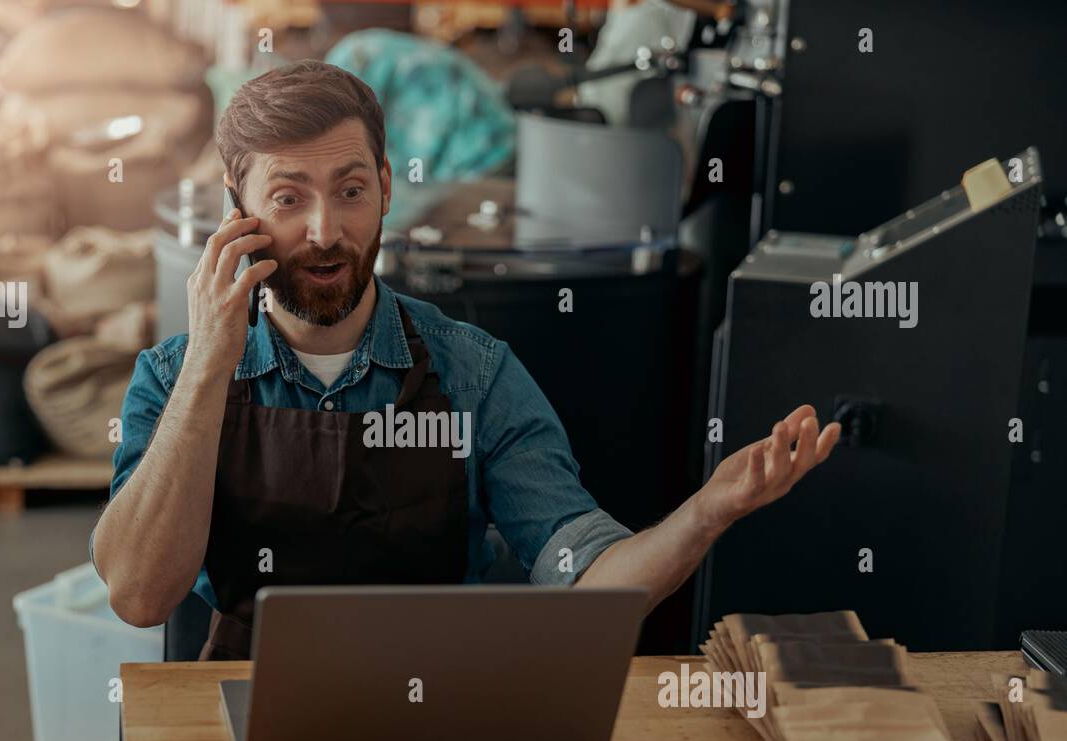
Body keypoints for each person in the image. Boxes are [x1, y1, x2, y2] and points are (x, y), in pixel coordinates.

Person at [91, 60, 839, 660]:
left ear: (385, 189)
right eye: (289, 199)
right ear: (238, 213)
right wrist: (208, 370)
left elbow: (583, 579)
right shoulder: (173, 376)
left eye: (350, 190)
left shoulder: (473, 374)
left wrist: (706, 514)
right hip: (226, 729)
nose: (325, 230)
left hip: (427, 719)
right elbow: (138, 595)